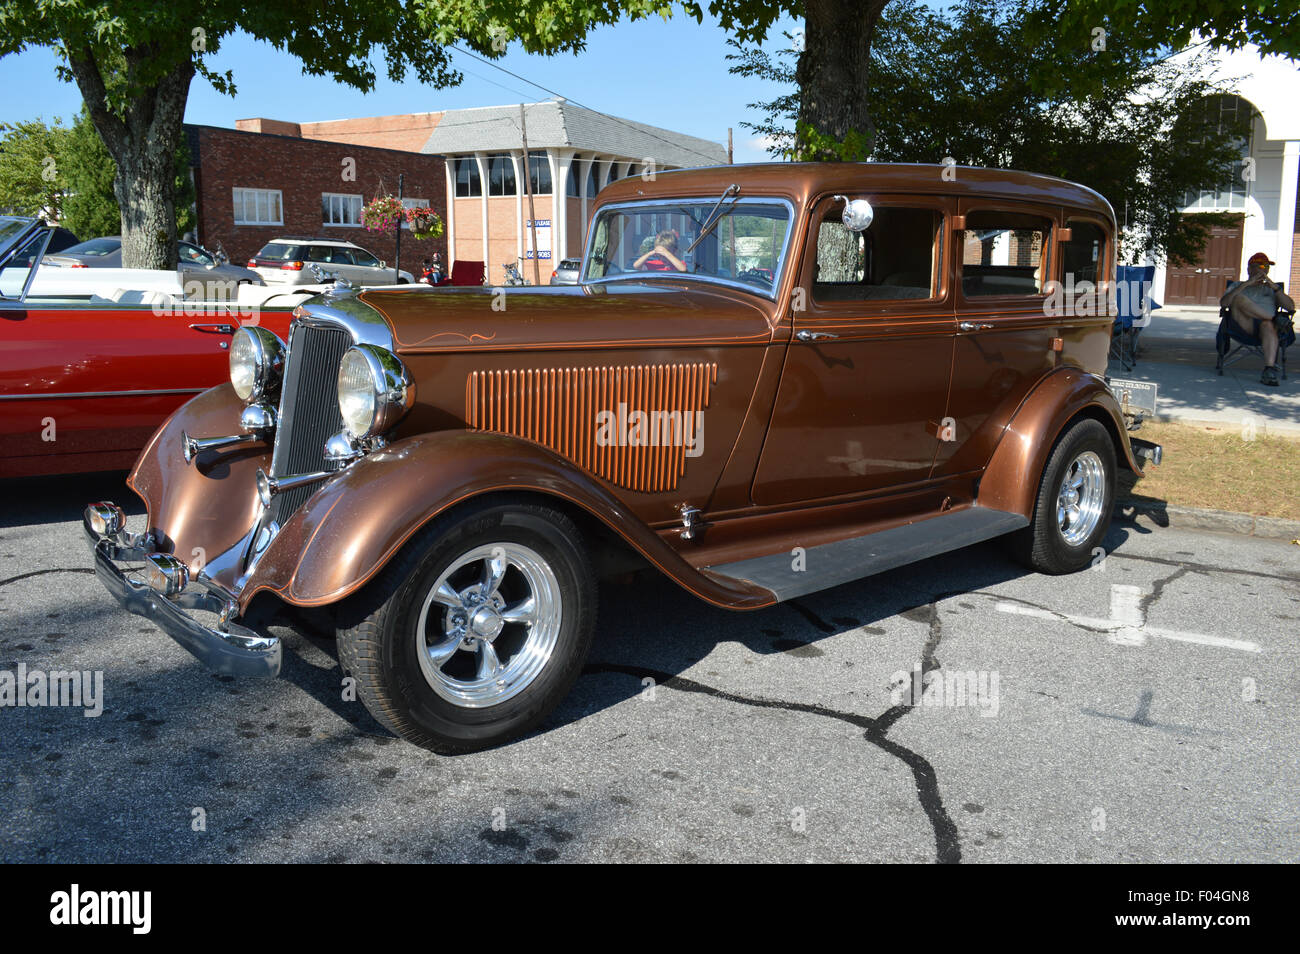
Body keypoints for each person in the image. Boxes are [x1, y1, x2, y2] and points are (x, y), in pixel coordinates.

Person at [1221, 252, 1294, 386]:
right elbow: (1224, 303)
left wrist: (1274, 287)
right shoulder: (1237, 285)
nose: (1264, 269)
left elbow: (1290, 307)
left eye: (1266, 266)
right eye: (1260, 265)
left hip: (1266, 328)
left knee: (1267, 325)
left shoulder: (1272, 289)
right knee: (1239, 298)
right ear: (1249, 269)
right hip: (1243, 325)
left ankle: (1269, 370)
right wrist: (1247, 284)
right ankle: (1274, 318)